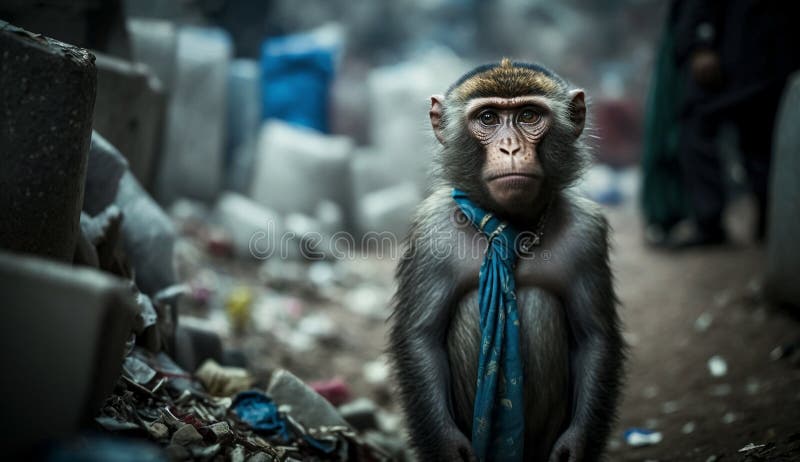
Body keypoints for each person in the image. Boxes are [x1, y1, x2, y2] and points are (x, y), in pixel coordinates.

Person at [661, 0, 800, 247]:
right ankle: (766, 223)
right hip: (764, 51)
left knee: (700, 128)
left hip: (733, 52)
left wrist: (701, 41)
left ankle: (713, 221)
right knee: (759, 135)